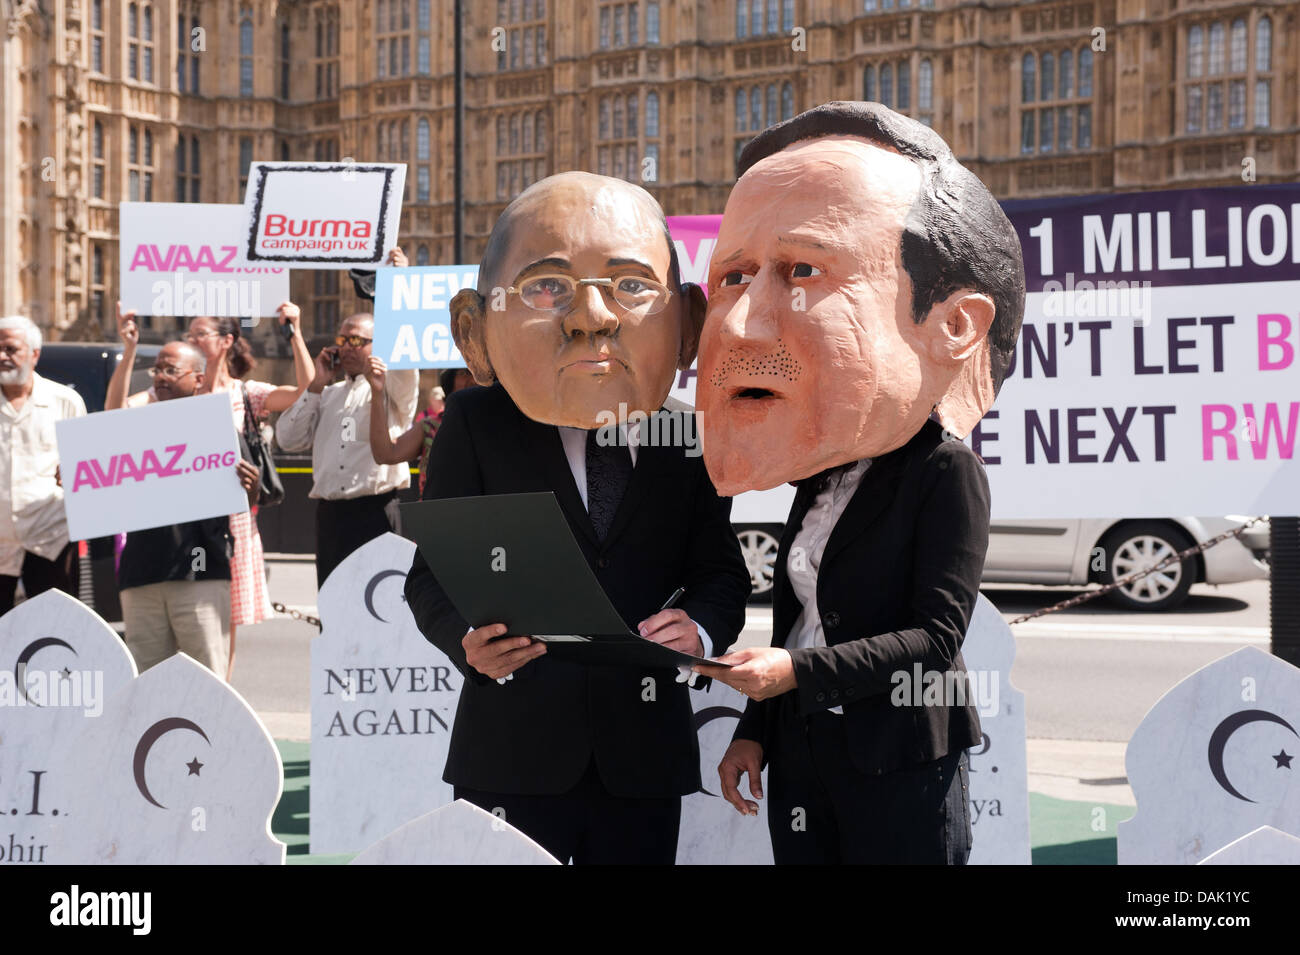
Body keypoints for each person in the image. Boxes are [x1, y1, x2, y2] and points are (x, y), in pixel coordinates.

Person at [693, 101, 1025, 864]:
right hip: (810, 750)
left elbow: (934, 639)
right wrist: (755, 730)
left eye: (804, 270)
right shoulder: (821, 475)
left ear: (954, 325)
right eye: (733, 276)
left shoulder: (946, 474)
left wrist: (792, 674)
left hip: (902, 755)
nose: (741, 323)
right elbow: (800, 618)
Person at [403, 171, 751, 865]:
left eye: (630, 286)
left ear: (685, 323)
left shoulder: (685, 436)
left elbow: (720, 575)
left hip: (642, 756)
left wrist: (702, 626)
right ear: (477, 330)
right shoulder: (476, 425)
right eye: (547, 287)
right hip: (512, 750)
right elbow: (429, 576)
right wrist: (465, 641)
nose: (591, 318)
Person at [108, 302, 314, 679]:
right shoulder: (153, 405)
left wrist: (294, 331)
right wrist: (129, 351)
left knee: (215, 642)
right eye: (190, 335)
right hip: (153, 557)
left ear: (225, 342)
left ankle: (227, 693)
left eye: (200, 334)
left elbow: (304, 391)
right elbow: (113, 419)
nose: (194, 339)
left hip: (221, 536)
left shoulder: (242, 396)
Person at [114, 341, 261, 678]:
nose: (161, 377)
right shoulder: (130, 428)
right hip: (141, 573)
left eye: (171, 370)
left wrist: (250, 488)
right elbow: (102, 469)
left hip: (200, 569)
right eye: (157, 370)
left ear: (197, 379)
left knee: (206, 682)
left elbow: (244, 501)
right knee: (146, 683)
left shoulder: (219, 425)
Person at [274, 312, 418, 587]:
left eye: (357, 340)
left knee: (381, 606)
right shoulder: (328, 394)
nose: (348, 346)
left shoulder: (391, 392)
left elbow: (405, 364)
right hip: (331, 516)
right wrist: (316, 384)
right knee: (333, 606)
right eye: (343, 339)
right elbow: (288, 438)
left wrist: (394, 296)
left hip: (375, 511)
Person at [0, 315, 87, 614]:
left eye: (10, 349)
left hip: (51, 538)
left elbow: (87, 468)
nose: (2, 357)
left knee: (56, 634)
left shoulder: (65, 401)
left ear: (34, 354)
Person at [365, 361, 472, 497]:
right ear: (450, 381)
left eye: (480, 373)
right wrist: (377, 393)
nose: (473, 379)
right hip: (440, 513)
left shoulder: (501, 421)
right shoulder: (431, 427)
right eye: (464, 373)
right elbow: (385, 454)